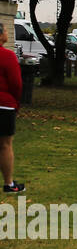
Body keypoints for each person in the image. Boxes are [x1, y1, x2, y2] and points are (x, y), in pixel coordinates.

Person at [0, 23, 25, 193]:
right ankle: (9, 183)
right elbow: (16, 84)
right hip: (4, 104)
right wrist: (16, 102)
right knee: (5, 145)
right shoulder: (7, 56)